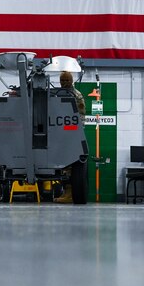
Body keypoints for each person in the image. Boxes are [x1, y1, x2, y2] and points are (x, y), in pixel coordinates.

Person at [55, 71, 85, 203]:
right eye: (62, 80)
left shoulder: (77, 95)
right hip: (59, 134)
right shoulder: (56, 94)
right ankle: (65, 192)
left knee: (70, 165)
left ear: (72, 81)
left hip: (71, 134)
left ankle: (69, 194)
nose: (64, 83)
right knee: (62, 165)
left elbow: (81, 117)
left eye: (67, 80)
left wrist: (75, 134)